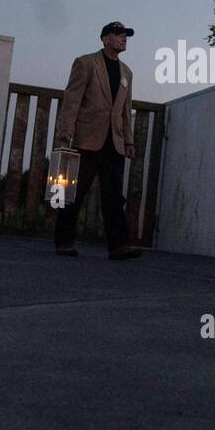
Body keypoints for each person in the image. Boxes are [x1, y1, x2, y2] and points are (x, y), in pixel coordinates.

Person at [54, 22, 143, 260]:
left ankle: (118, 246)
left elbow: (126, 108)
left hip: (113, 141)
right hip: (86, 138)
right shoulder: (85, 63)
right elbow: (72, 99)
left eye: (126, 35)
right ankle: (63, 241)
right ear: (105, 39)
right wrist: (66, 132)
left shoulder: (127, 72)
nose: (124, 38)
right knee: (73, 191)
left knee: (114, 195)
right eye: (118, 34)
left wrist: (128, 141)